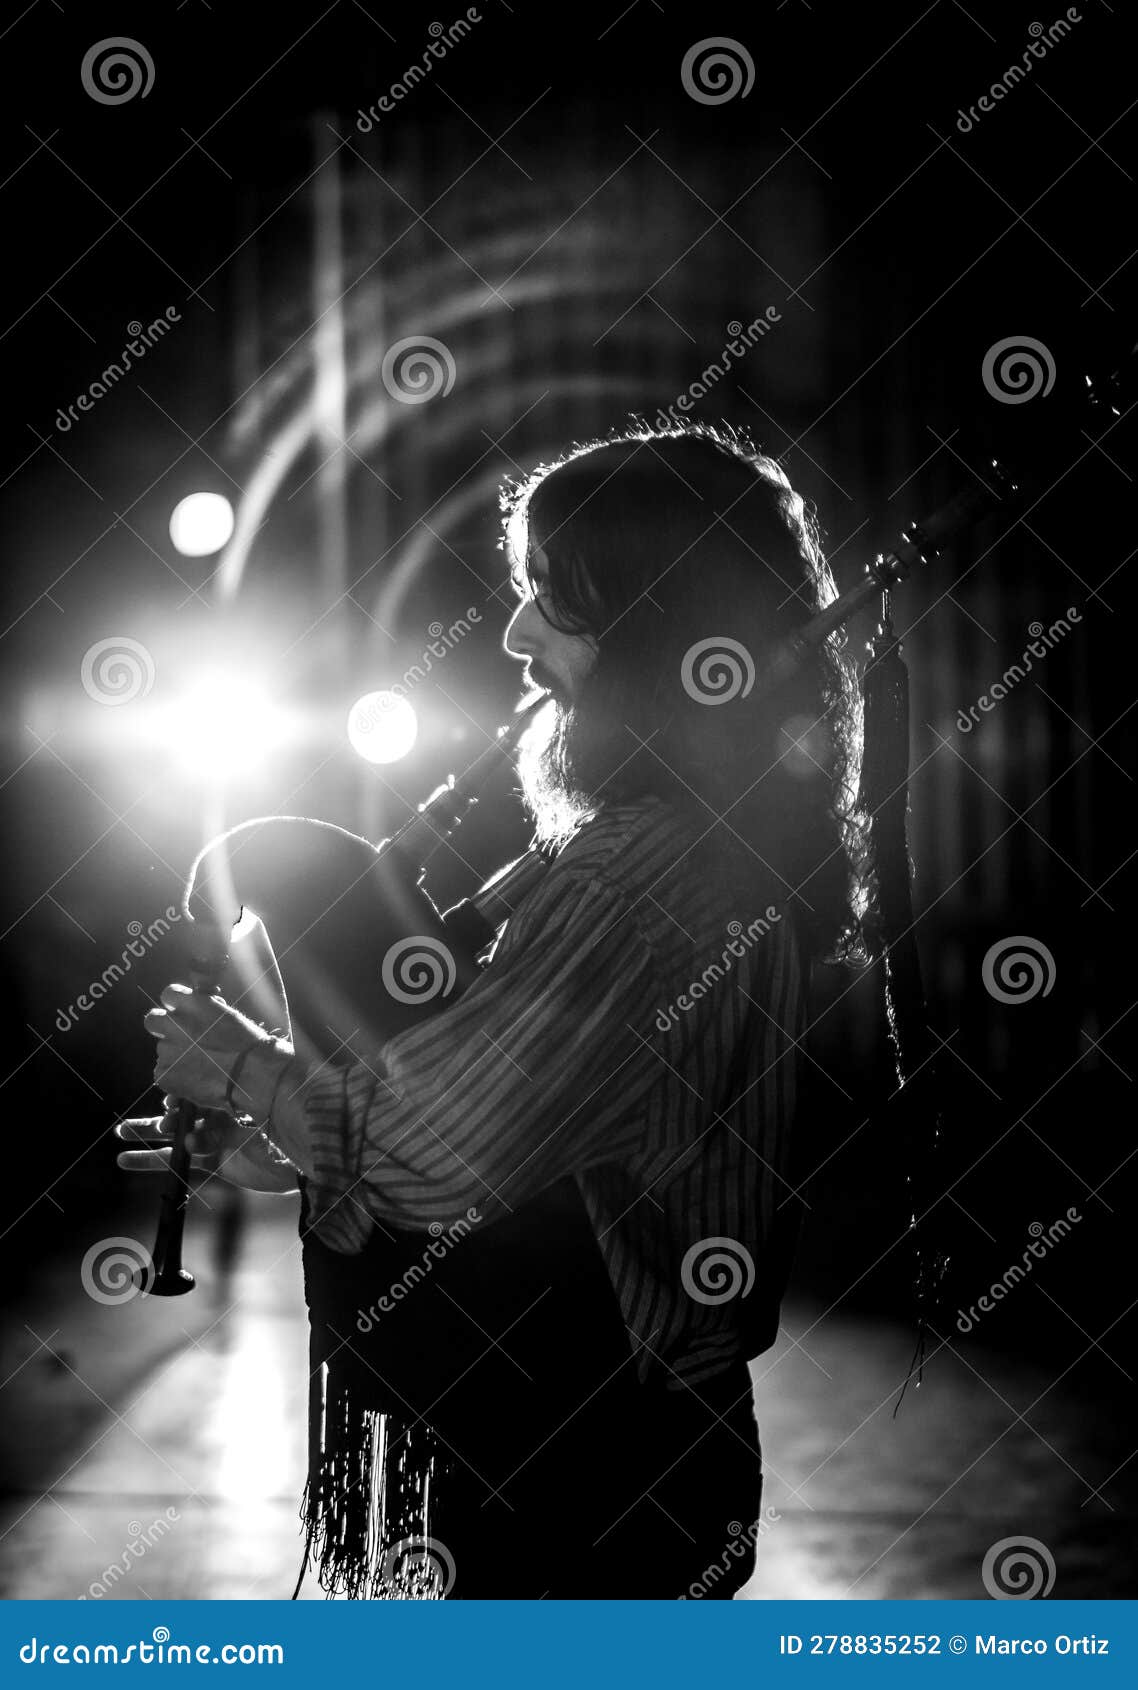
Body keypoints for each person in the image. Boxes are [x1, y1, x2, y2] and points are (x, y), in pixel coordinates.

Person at [118, 422, 866, 1598]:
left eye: (551, 597)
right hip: (599, 1447)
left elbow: (441, 1153)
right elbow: (525, 1137)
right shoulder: (654, 846)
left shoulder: (641, 875)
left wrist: (250, 1070)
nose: (515, 634)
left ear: (652, 624)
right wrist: (282, 1142)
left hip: (588, 1479)